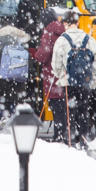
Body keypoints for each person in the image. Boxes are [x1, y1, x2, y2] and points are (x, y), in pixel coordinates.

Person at [51, 8, 96, 147]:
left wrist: (62, 76)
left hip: (69, 82)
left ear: (65, 23)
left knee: (70, 111)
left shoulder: (62, 40)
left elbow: (56, 63)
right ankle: (84, 138)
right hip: (85, 82)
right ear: (78, 22)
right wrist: (91, 76)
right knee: (84, 110)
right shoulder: (88, 38)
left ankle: (72, 140)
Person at [31, 8, 66, 141]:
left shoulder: (49, 32)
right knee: (61, 106)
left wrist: (33, 53)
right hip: (61, 74)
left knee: (56, 106)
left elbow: (43, 55)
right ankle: (63, 132)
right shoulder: (61, 30)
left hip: (52, 74)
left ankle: (59, 135)